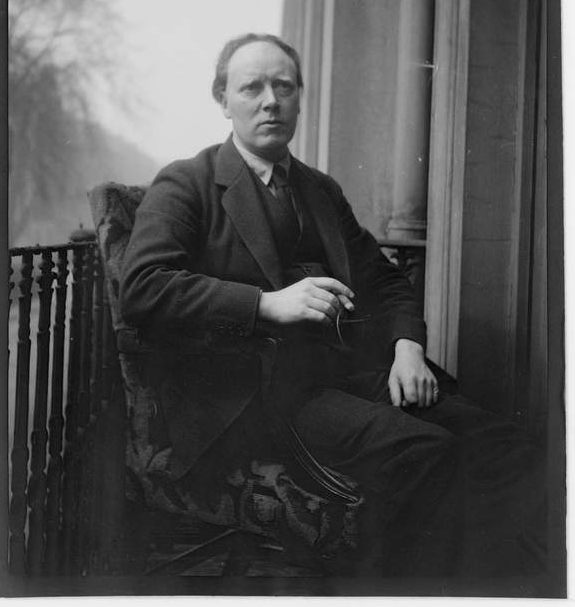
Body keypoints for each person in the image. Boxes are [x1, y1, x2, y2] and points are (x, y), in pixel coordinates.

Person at [120, 33, 545, 578]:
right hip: (251, 397)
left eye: (284, 87)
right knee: (424, 451)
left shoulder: (319, 190)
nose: (271, 101)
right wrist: (267, 305)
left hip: (345, 377)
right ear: (222, 100)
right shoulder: (187, 182)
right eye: (251, 88)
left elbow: (384, 280)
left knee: (505, 445)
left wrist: (407, 348)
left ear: (300, 97)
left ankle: (489, 591)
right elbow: (143, 286)